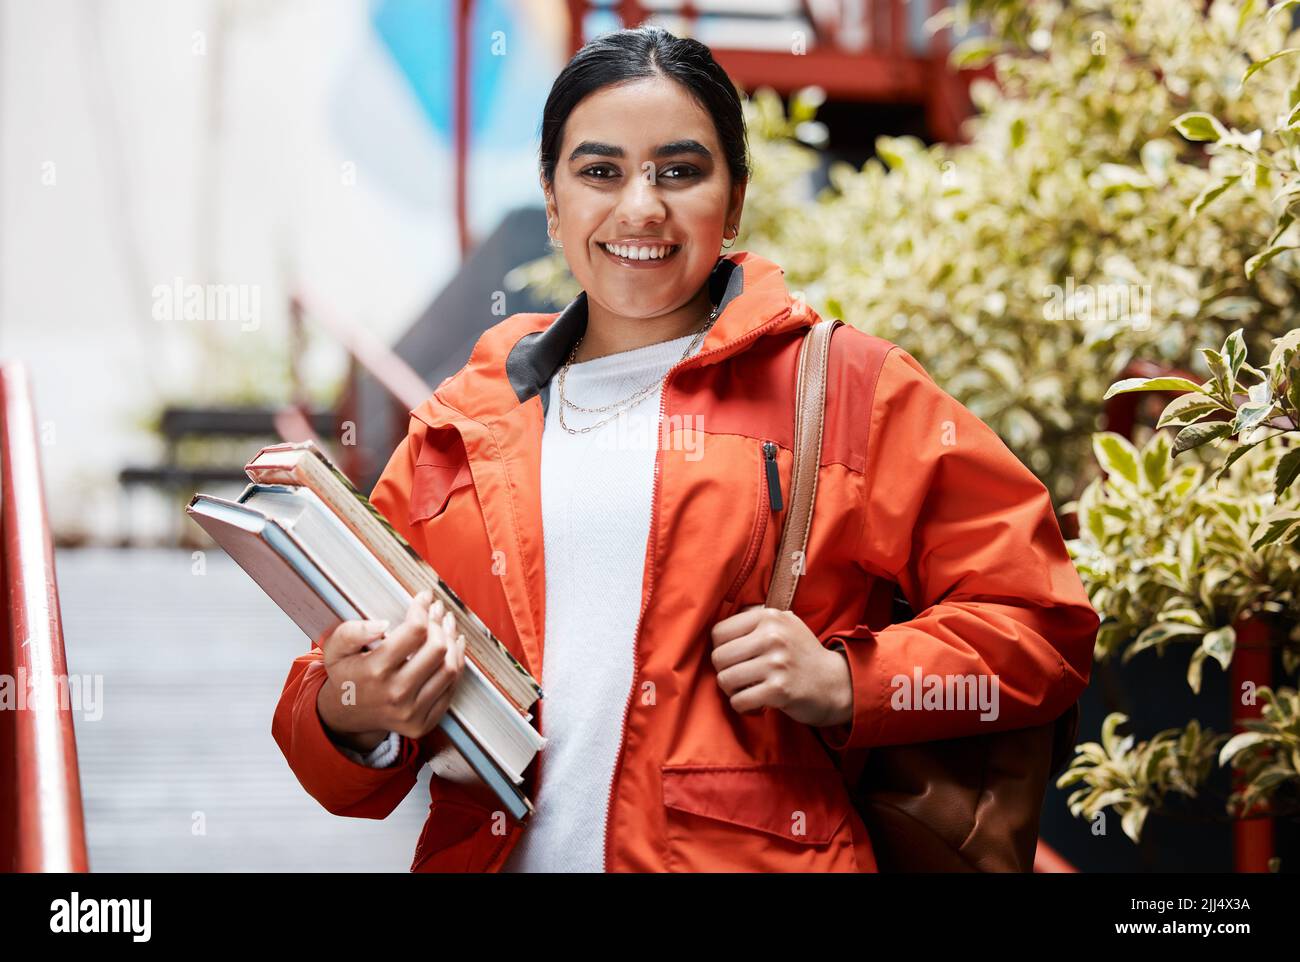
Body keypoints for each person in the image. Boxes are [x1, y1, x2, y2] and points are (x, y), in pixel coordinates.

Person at [271, 25, 1099, 873]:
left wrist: (851, 681)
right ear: (553, 204)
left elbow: (1042, 626)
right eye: (600, 172)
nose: (641, 207)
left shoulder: (848, 386)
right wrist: (353, 707)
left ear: (733, 201)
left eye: (680, 171)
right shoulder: (463, 422)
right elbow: (325, 719)